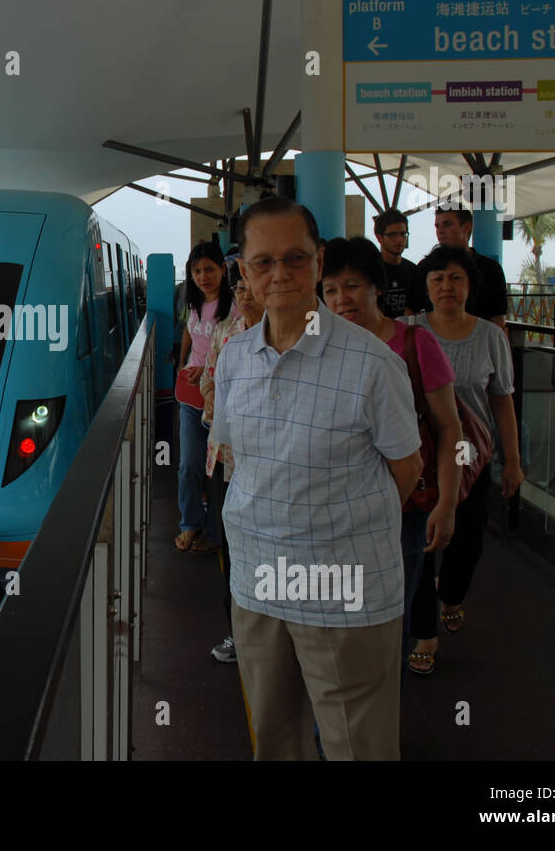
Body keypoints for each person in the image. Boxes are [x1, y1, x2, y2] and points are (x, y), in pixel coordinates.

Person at [210, 198, 422, 760]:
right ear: (244, 272)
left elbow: (408, 471)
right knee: (275, 740)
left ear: (320, 260)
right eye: (263, 262)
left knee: (359, 745)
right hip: (257, 582)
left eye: (296, 258)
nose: (280, 274)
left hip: (344, 589)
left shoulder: (373, 365)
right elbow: (237, 457)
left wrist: (340, 525)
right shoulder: (234, 358)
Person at [320, 237, 463, 671]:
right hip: (336, 510)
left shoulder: (416, 344)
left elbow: (449, 426)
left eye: (352, 286)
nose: (341, 300)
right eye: (329, 290)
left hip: (403, 510)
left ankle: (380, 725)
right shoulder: (321, 351)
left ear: (376, 288)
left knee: (388, 621)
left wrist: (448, 503)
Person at [406, 244, 524, 675]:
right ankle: (424, 632)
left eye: (455, 278)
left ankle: (451, 594)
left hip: (470, 457)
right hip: (418, 458)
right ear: (426, 286)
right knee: (418, 544)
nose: (446, 286)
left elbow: (502, 403)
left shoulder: (490, 337)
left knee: (467, 543)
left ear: (470, 285)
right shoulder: (408, 331)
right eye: (437, 279)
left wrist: (513, 461)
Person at [200, 263, 263, 663]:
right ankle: (238, 634)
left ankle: (269, 638)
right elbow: (209, 376)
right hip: (225, 461)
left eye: (248, 286)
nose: (243, 294)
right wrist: (210, 396)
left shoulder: (288, 336)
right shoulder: (226, 333)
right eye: (239, 287)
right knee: (232, 548)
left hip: (266, 467)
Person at [175, 241, 234, 553]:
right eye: (197, 270)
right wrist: (184, 362)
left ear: (223, 269)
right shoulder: (194, 301)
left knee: (217, 468)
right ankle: (190, 522)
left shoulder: (235, 308)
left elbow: (237, 351)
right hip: (191, 394)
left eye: (209, 269)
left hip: (221, 399)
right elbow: (189, 332)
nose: (203, 276)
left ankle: (214, 534)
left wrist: (209, 371)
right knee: (189, 464)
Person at [430, 207, 509, 328]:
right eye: (437, 226)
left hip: (479, 343)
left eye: (447, 224)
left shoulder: (491, 269)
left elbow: (497, 319)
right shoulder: (428, 268)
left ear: (466, 227)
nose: (440, 231)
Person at [373, 209, 425, 317]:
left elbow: (415, 309)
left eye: (403, 234)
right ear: (379, 237)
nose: (399, 240)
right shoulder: (370, 270)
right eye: (392, 235)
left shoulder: (413, 271)